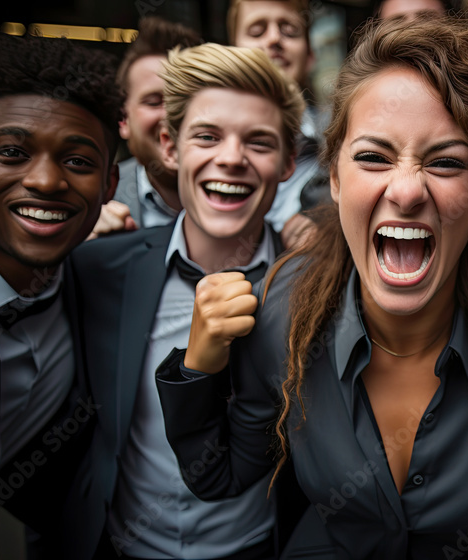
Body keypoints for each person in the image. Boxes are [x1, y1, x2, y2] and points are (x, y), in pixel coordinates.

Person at [157, 14, 468, 559]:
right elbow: (220, 477)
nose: (406, 190)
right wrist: (198, 368)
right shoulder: (278, 316)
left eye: (445, 162)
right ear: (333, 178)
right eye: (373, 157)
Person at [62, 43, 303, 560]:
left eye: (258, 142)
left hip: (263, 547)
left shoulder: (315, 283)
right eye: (208, 136)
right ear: (171, 148)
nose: (231, 158)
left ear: (287, 162)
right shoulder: (97, 269)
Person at [0, 34, 121, 558]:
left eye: (78, 162)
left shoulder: (94, 281)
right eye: (13, 152)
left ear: (109, 184)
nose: (45, 180)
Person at [227, 0, 327, 247]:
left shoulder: (341, 136)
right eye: (257, 31)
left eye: (289, 31)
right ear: (232, 52)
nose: (273, 40)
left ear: (310, 56)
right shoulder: (203, 145)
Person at [101, 16, 202, 233]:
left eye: (184, 99)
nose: (172, 115)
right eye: (154, 102)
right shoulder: (94, 203)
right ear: (123, 119)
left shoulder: (259, 196)